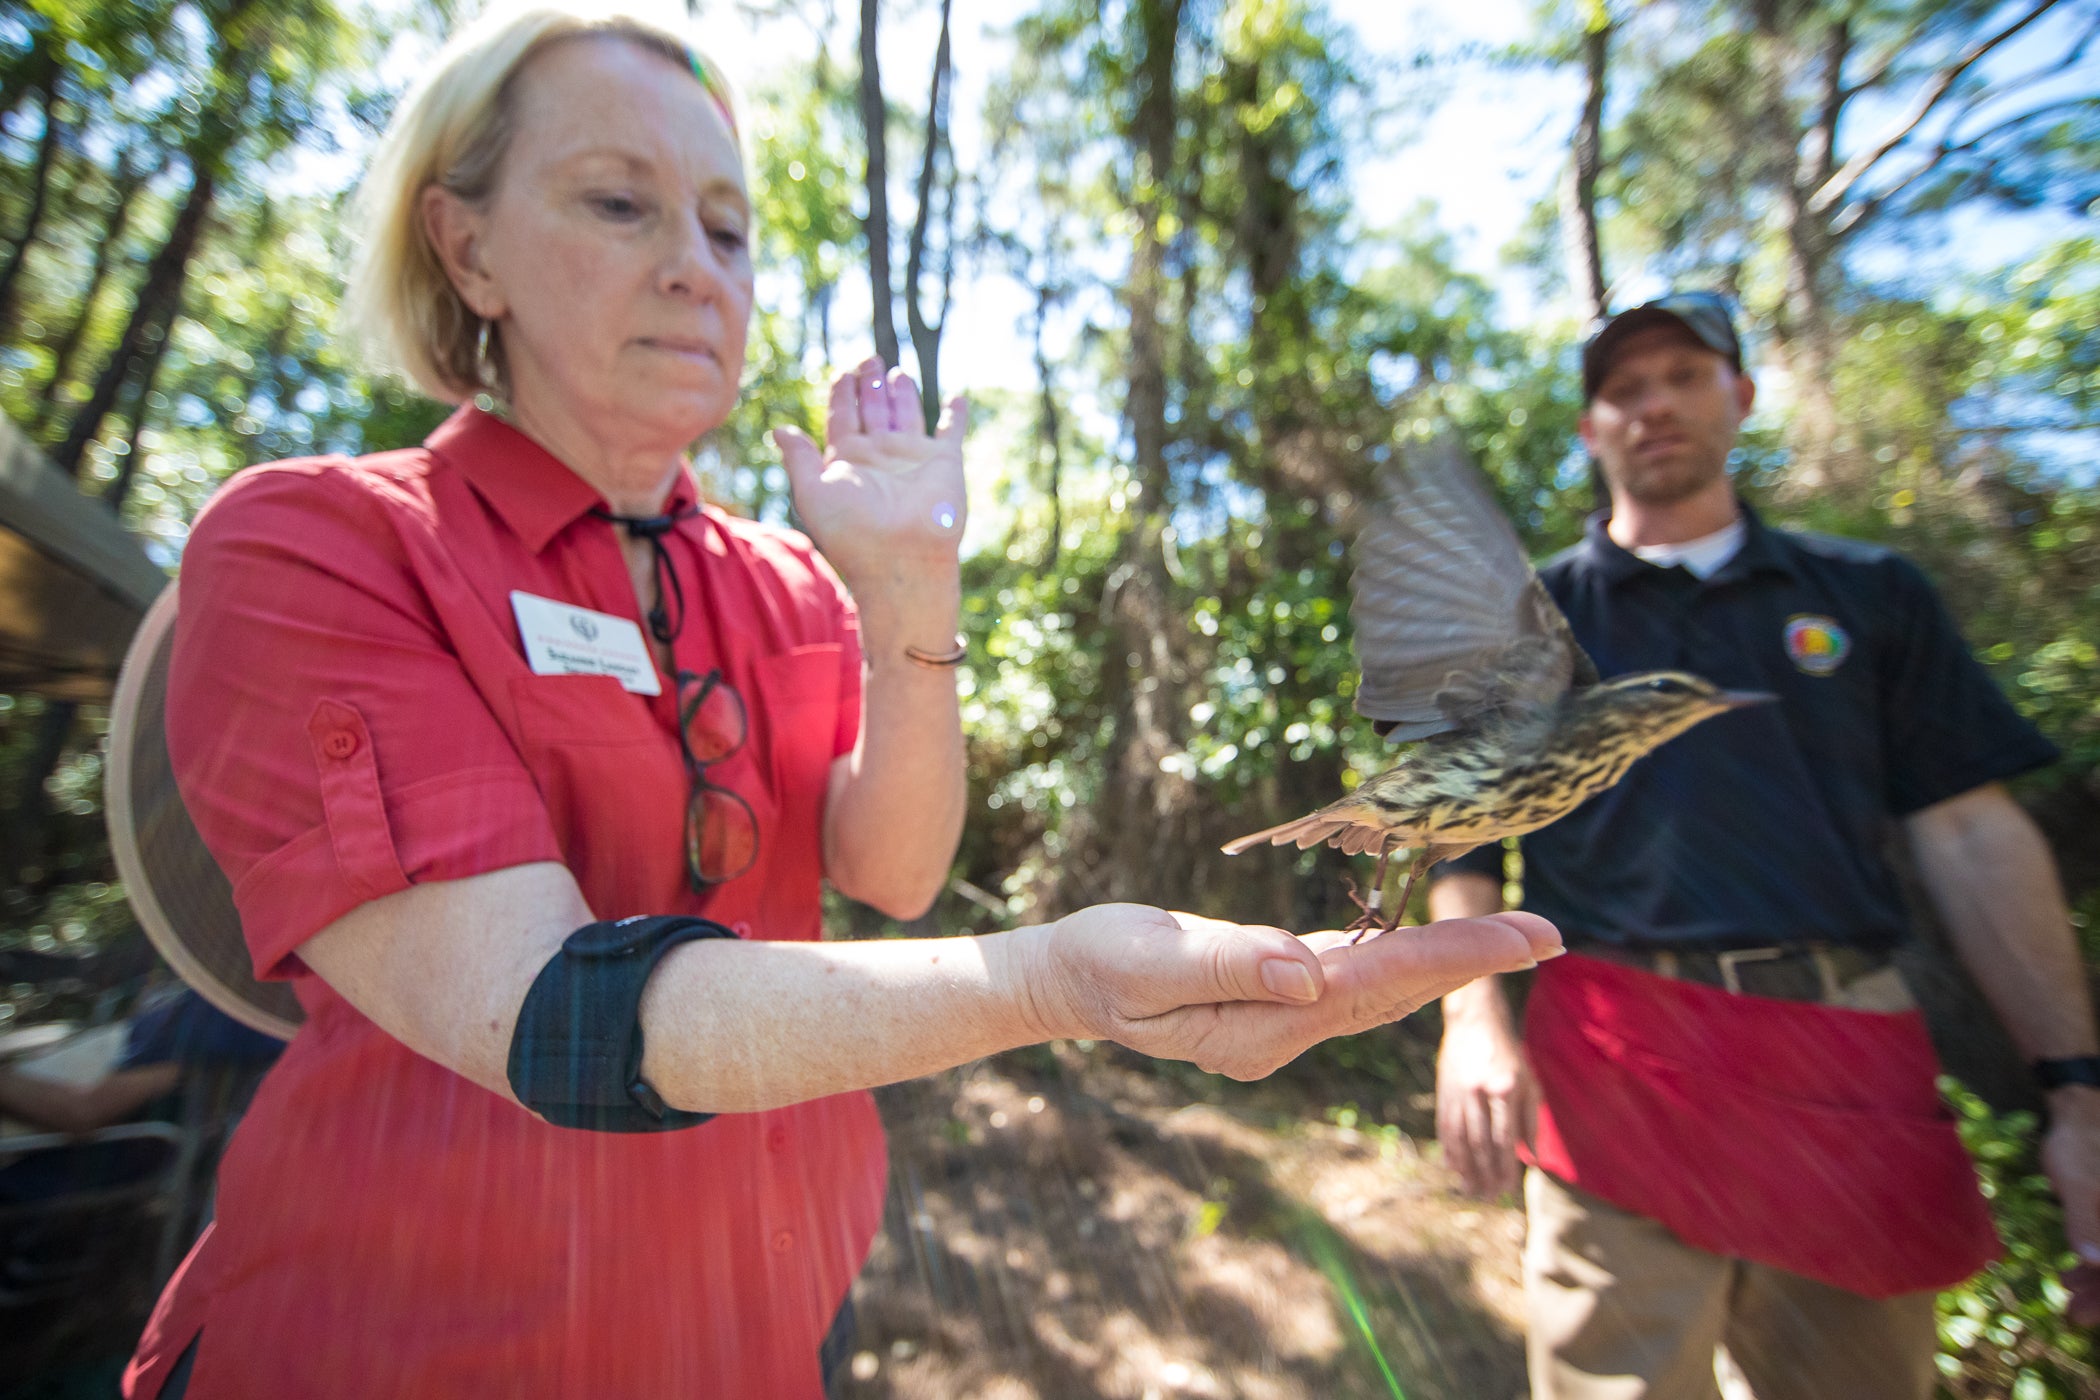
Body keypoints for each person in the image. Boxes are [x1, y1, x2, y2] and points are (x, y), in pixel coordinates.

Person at [119, 9, 1562, 1397]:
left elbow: (898, 870)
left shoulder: (787, 582)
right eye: (622, 204)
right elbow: (550, 1013)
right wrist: (1050, 982)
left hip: (754, 1336)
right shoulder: (325, 542)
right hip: (393, 1350)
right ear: (467, 244)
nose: (698, 266)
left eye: (730, 228)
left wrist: (910, 587)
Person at [1427, 290, 2100, 1400]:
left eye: (1685, 376)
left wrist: (2077, 1089)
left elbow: (1974, 830)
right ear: (1592, 428)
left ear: (1740, 396)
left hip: (1848, 1054)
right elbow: (1463, 830)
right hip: (1615, 1048)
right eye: (1623, 389)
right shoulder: (1528, 618)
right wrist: (1472, 1015)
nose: (1655, 406)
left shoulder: (1868, 596)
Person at [0, 986, 282, 1139]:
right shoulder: (223, 992)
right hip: (50, 1078)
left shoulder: (228, 1015)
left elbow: (84, 1110)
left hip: (39, 1140)